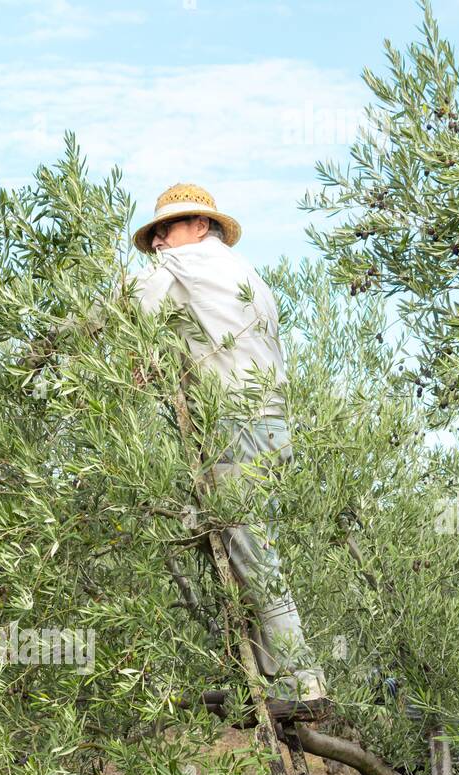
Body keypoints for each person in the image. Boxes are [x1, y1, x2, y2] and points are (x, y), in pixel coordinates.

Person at [129, 182, 328, 722]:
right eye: (155, 235)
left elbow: (129, 323)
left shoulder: (181, 266)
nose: (160, 243)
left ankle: (302, 683)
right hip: (273, 425)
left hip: (233, 423)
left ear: (199, 226)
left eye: (166, 229)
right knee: (244, 543)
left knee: (249, 550)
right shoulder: (248, 277)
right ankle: (267, 680)